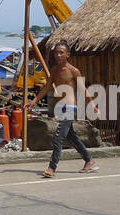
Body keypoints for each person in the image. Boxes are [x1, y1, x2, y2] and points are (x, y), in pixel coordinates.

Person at [28, 41, 97, 177]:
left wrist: (92, 104)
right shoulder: (54, 70)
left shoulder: (73, 71)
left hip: (70, 107)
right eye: (56, 53)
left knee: (58, 137)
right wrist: (34, 101)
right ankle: (89, 160)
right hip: (61, 108)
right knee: (72, 137)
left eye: (61, 52)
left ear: (67, 55)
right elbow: (47, 87)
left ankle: (52, 168)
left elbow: (83, 88)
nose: (58, 55)